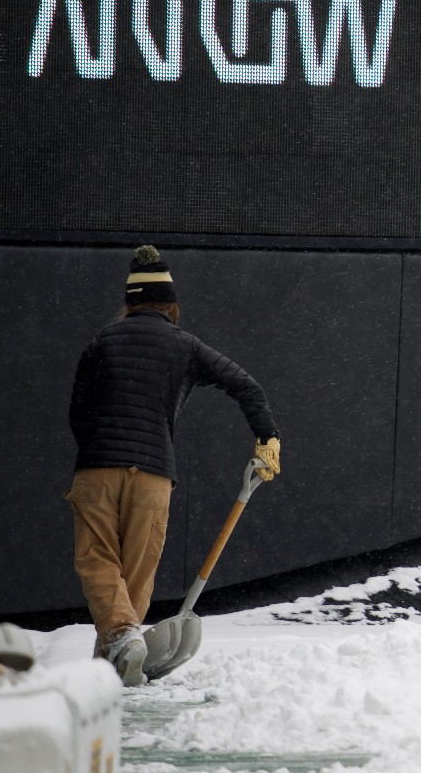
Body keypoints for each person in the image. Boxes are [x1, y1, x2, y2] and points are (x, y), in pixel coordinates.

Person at [66, 245, 280, 686]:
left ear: (129, 303)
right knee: (139, 570)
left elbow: (78, 411)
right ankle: (119, 646)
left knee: (98, 559)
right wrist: (267, 438)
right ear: (172, 305)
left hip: (99, 467)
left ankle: (118, 642)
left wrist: (97, 451)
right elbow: (248, 387)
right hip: (153, 474)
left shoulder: (101, 342)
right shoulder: (186, 347)